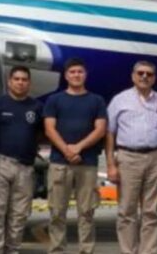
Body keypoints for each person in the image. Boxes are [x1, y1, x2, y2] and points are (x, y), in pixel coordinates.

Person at [106, 60, 157, 254]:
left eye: (149, 74)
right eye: (140, 73)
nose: (144, 77)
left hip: (155, 158)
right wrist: (111, 164)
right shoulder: (119, 100)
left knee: (151, 211)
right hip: (128, 158)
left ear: (154, 78)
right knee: (127, 211)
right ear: (133, 76)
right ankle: (128, 251)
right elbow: (110, 133)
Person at [44, 58, 107, 254]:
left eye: (80, 71)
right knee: (56, 212)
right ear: (66, 75)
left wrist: (78, 148)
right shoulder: (55, 100)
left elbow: (100, 129)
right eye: (72, 72)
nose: (76, 75)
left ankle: (86, 250)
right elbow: (49, 129)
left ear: (85, 75)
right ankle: (57, 250)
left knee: (87, 212)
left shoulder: (96, 101)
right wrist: (66, 150)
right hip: (59, 163)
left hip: (87, 164)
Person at [0, 66, 43, 254]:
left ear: (29, 83)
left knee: (20, 213)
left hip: (26, 166)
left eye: (24, 79)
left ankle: (13, 249)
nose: (20, 83)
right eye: (16, 79)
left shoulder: (36, 107)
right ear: (9, 82)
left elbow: (42, 133)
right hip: (0, 162)